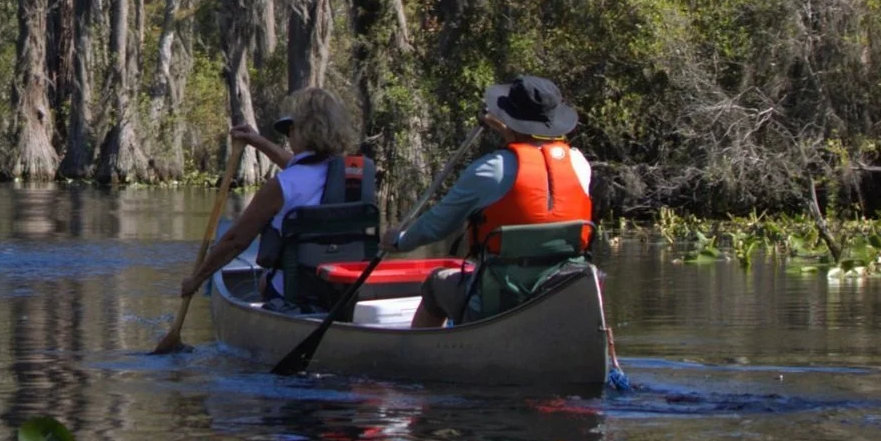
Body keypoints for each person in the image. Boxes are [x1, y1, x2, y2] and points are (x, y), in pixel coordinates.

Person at [388, 74, 593, 327]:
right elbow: (536, 155)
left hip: (501, 298)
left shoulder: (490, 170)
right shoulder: (579, 164)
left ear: (509, 119)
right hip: (560, 290)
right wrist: (507, 128)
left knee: (435, 284)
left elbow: (437, 225)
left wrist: (399, 241)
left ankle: (421, 358)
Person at [179, 86, 373, 307]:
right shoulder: (353, 175)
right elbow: (298, 166)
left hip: (295, 293)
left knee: (265, 281)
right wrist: (256, 140)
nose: (288, 135)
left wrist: (196, 279)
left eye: (290, 129)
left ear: (302, 131)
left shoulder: (282, 185)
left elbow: (236, 241)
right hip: (347, 290)